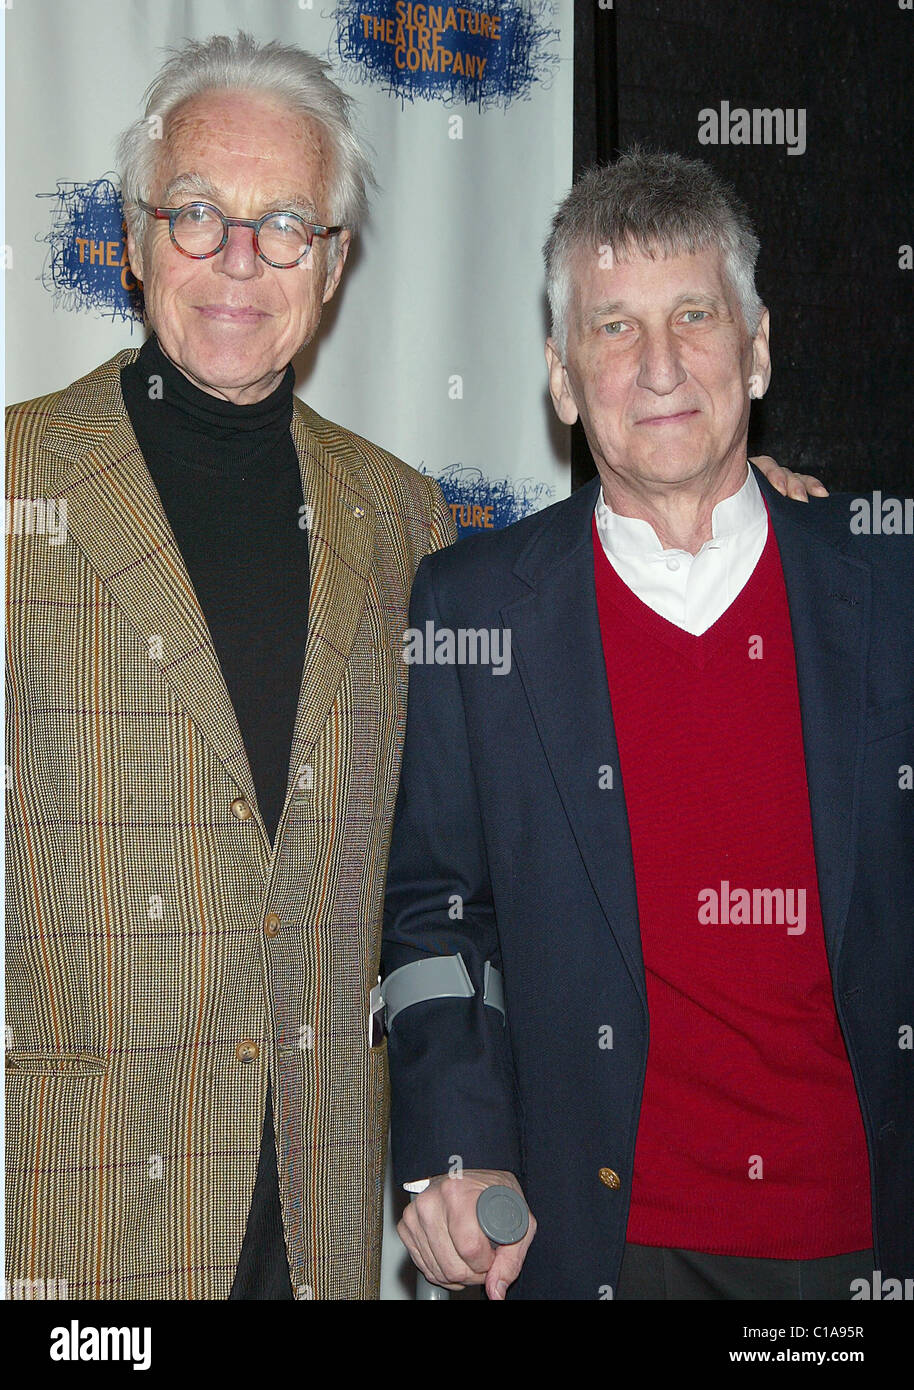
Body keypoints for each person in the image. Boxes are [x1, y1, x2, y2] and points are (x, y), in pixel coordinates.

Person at [382, 148, 913, 1301]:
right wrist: (454, 1147)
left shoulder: (889, 586)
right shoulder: (472, 608)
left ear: (756, 345)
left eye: (692, 314)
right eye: (612, 328)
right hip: (590, 1249)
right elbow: (435, 914)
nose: (659, 364)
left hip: (858, 1246)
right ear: (561, 378)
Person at [4, 31, 457, 1301]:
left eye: (283, 225)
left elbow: (462, 840)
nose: (237, 260)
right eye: (197, 214)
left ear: (335, 262)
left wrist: (713, 503)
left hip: (314, 1215)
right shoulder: (14, 479)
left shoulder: (404, 516)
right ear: (139, 238)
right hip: (73, 1220)